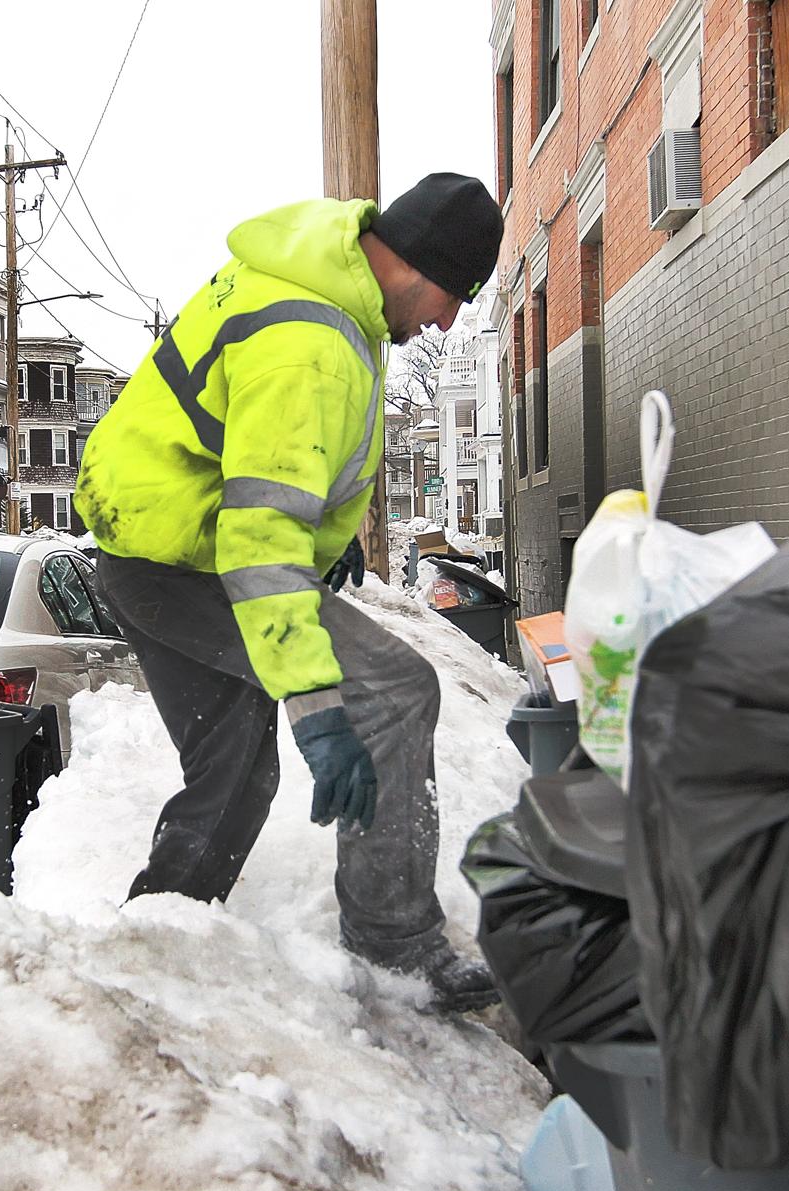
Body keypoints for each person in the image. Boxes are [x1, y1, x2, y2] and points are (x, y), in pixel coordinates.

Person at [74, 173, 505, 1013]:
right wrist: (319, 709)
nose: (447, 322)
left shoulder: (322, 280)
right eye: (454, 296)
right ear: (415, 264)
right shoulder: (312, 342)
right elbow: (260, 540)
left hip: (157, 547)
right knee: (392, 689)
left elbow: (280, 468)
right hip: (189, 561)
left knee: (234, 774)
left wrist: (326, 546)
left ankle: (148, 954)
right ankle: (396, 945)